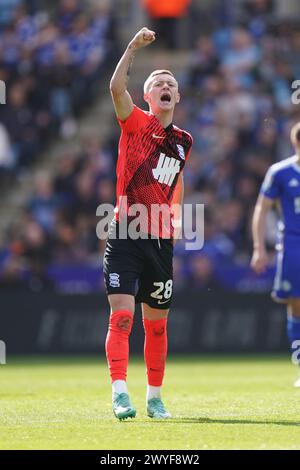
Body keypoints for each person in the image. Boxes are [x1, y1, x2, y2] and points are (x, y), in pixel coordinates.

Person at [104, 27, 193, 420]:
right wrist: (131, 49)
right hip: (125, 232)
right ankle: (120, 393)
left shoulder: (184, 141)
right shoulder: (136, 122)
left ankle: (155, 397)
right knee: (122, 317)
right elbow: (114, 88)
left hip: (160, 240)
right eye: (158, 82)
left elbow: (176, 179)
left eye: (170, 83)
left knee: (156, 327)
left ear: (178, 96)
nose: (165, 85)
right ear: (147, 95)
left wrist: (176, 216)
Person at [251, 122, 300, 387]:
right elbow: (262, 209)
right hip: (293, 245)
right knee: (296, 304)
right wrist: (259, 247)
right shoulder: (280, 172)